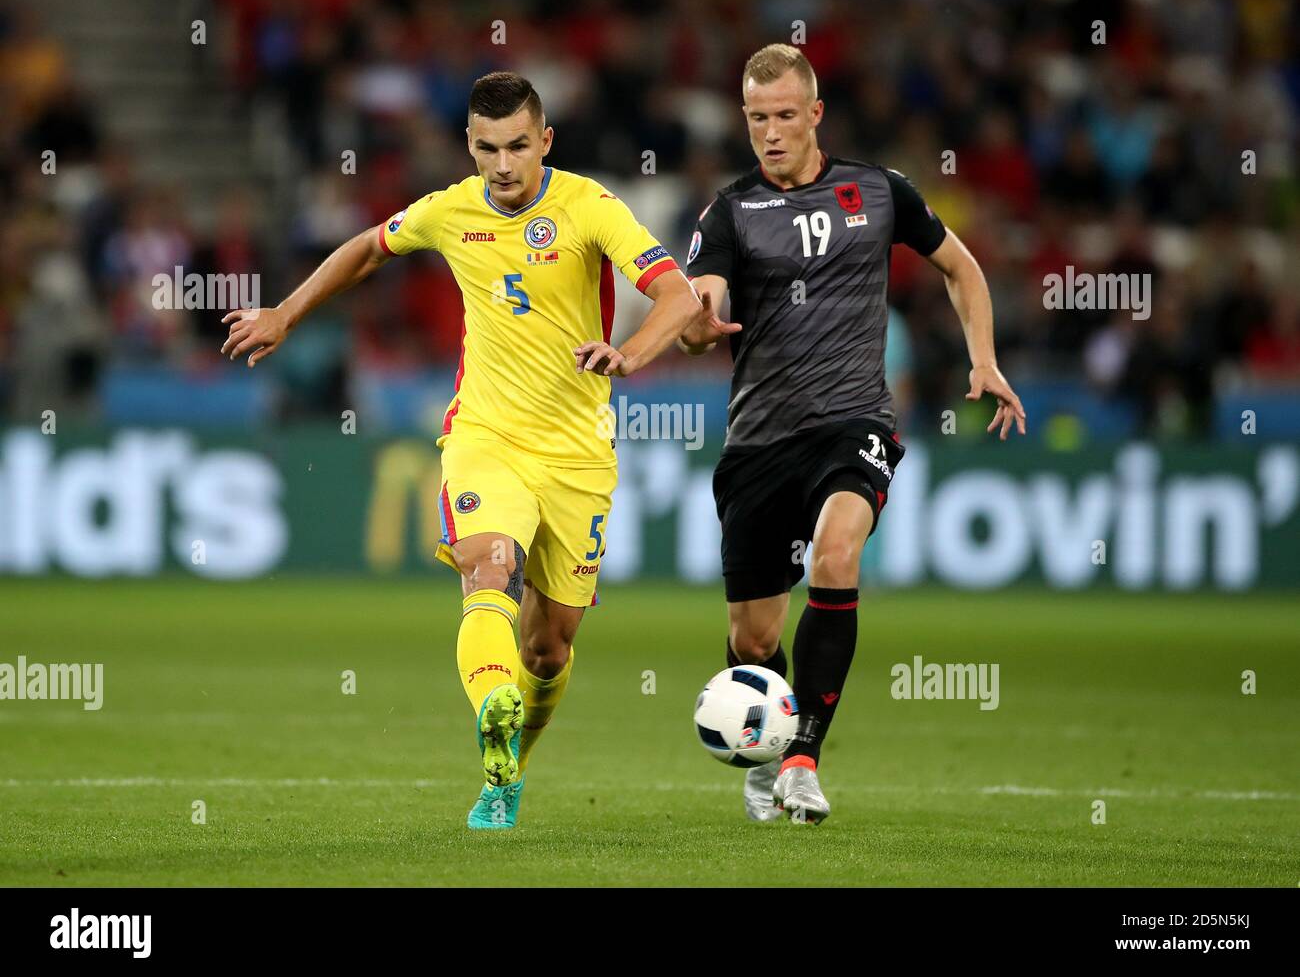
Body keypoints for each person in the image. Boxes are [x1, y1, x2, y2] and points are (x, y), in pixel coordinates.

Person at [222, 71, 700, 829]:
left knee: (549, 647)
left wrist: (632, 351)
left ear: (545, 140)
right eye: (487, 148)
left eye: (518, 146)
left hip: (578, 453)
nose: (504, 165)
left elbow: (680, 294)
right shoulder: (452, 210)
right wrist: (286, 311)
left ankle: (509, 766)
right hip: (485, 434)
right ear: (469, 146)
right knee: (490, 566)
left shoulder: (592, 207)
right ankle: (492, 708)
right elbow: (368, 248)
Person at [680, 45, 1025, 824]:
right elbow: (702, 297)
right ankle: (763, 751)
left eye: (784, 116)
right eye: (756, 119)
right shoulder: (730, 211)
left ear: (815, 115)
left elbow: (962, 269)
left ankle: (803, 755)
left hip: (854, 423)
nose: (770, 133)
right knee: (753, 632)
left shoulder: (878, 191)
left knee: (837, 557)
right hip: (760, 440)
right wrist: (700, 327)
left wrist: (985, 361)